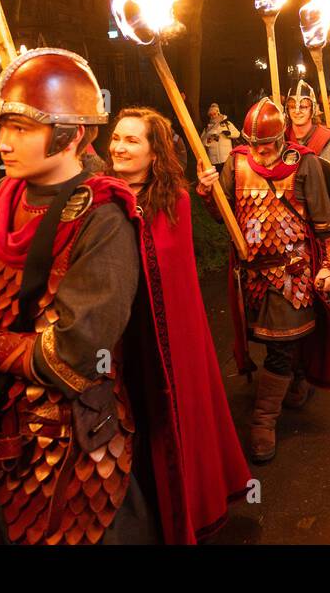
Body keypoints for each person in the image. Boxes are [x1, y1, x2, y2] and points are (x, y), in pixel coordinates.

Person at [0, 49, 212, 544]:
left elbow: (76, 353)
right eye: (3, 127)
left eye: (21, 128)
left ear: (72, 134)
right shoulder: (1, 198)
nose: (1, 143)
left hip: (78, 447)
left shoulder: (104, 217)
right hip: (3, 430)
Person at [106, 107, 252, 540]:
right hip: (116, 338)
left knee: (167, 425)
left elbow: (176, 277)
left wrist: (207, 192)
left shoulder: (175, 201)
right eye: (116, 137)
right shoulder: (99, 198)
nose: (119, 147)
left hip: (166, 338)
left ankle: (179, 512)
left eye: (132, 140)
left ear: (155, 152)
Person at [196, 98, 330, 462]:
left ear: (281, 136)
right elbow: (222, 216)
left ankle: (263, 421)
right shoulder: (237, 162)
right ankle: (299, 378)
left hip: (292, 274)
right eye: (255, 144)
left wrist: (327, 267)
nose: (261, 151)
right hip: (251, 274)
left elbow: (325, 224)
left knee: (280, 345)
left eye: (268, 143)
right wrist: (208, 193)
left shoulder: (304, 163)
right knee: (272, 338)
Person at [285, 80, 330, 167]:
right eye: (292, 107)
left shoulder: (325, 139)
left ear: (312, 109)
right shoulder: (283, 137)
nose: (297, 111)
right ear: (287, 109)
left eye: (303, 107)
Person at [202, 103, 240, 167]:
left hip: (227, 158)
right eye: (211, 115)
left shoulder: (227, 124)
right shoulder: (207, 128)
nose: (213, 116)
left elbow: (237, 134)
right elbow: (201, 142)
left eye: (214, 114)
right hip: (213, 160)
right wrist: (208, 140)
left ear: (218, 113)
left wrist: (229, 133)